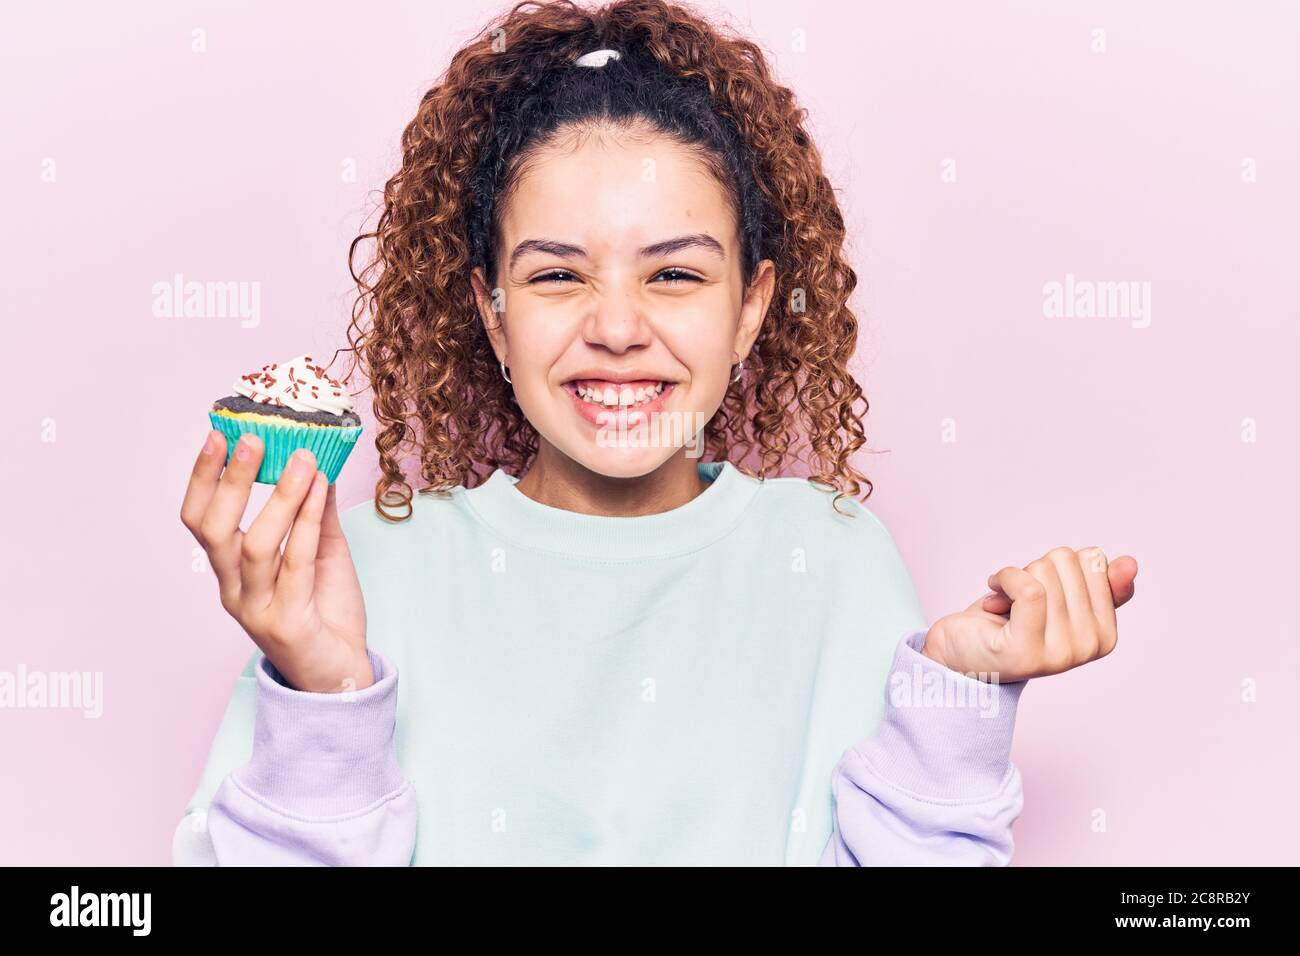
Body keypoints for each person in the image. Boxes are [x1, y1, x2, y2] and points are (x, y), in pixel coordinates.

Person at [174, 0, 1137, 866]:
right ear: (493, 309)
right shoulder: (374, 570)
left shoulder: (827, 559)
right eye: (557, 276)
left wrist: (954, 699)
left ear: (752, 308)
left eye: (674, 275)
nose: (620, 327)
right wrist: (327, 693)